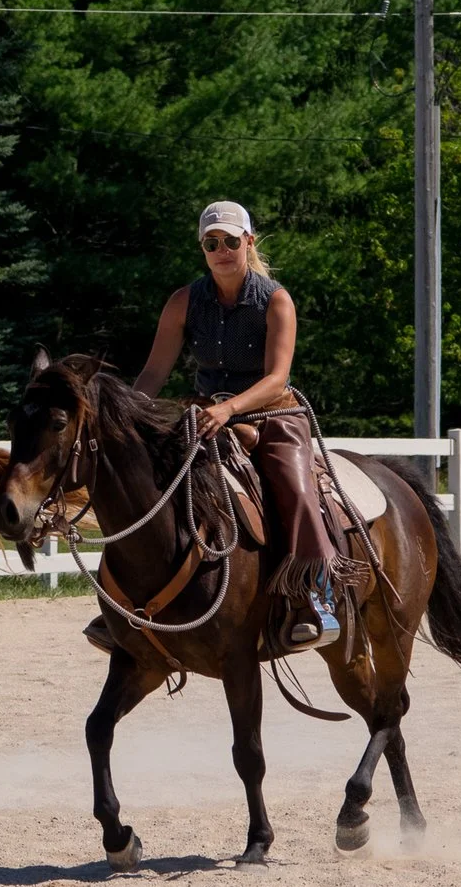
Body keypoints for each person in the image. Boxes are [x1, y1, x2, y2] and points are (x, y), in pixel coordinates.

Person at [130, 201, 340, 649]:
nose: (222, 250)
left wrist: (230, 410)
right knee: (140, 479)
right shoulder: (183, 302)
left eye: (230, 240)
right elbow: (154, 371)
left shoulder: (276, 300)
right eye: (212, 243)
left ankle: (314, 594)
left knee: (295, 486)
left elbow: (277, 378)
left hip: (271, 414)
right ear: (202, 249)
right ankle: (125, 599)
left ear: (248, 241)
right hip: (205, 413)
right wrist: (128, 415)